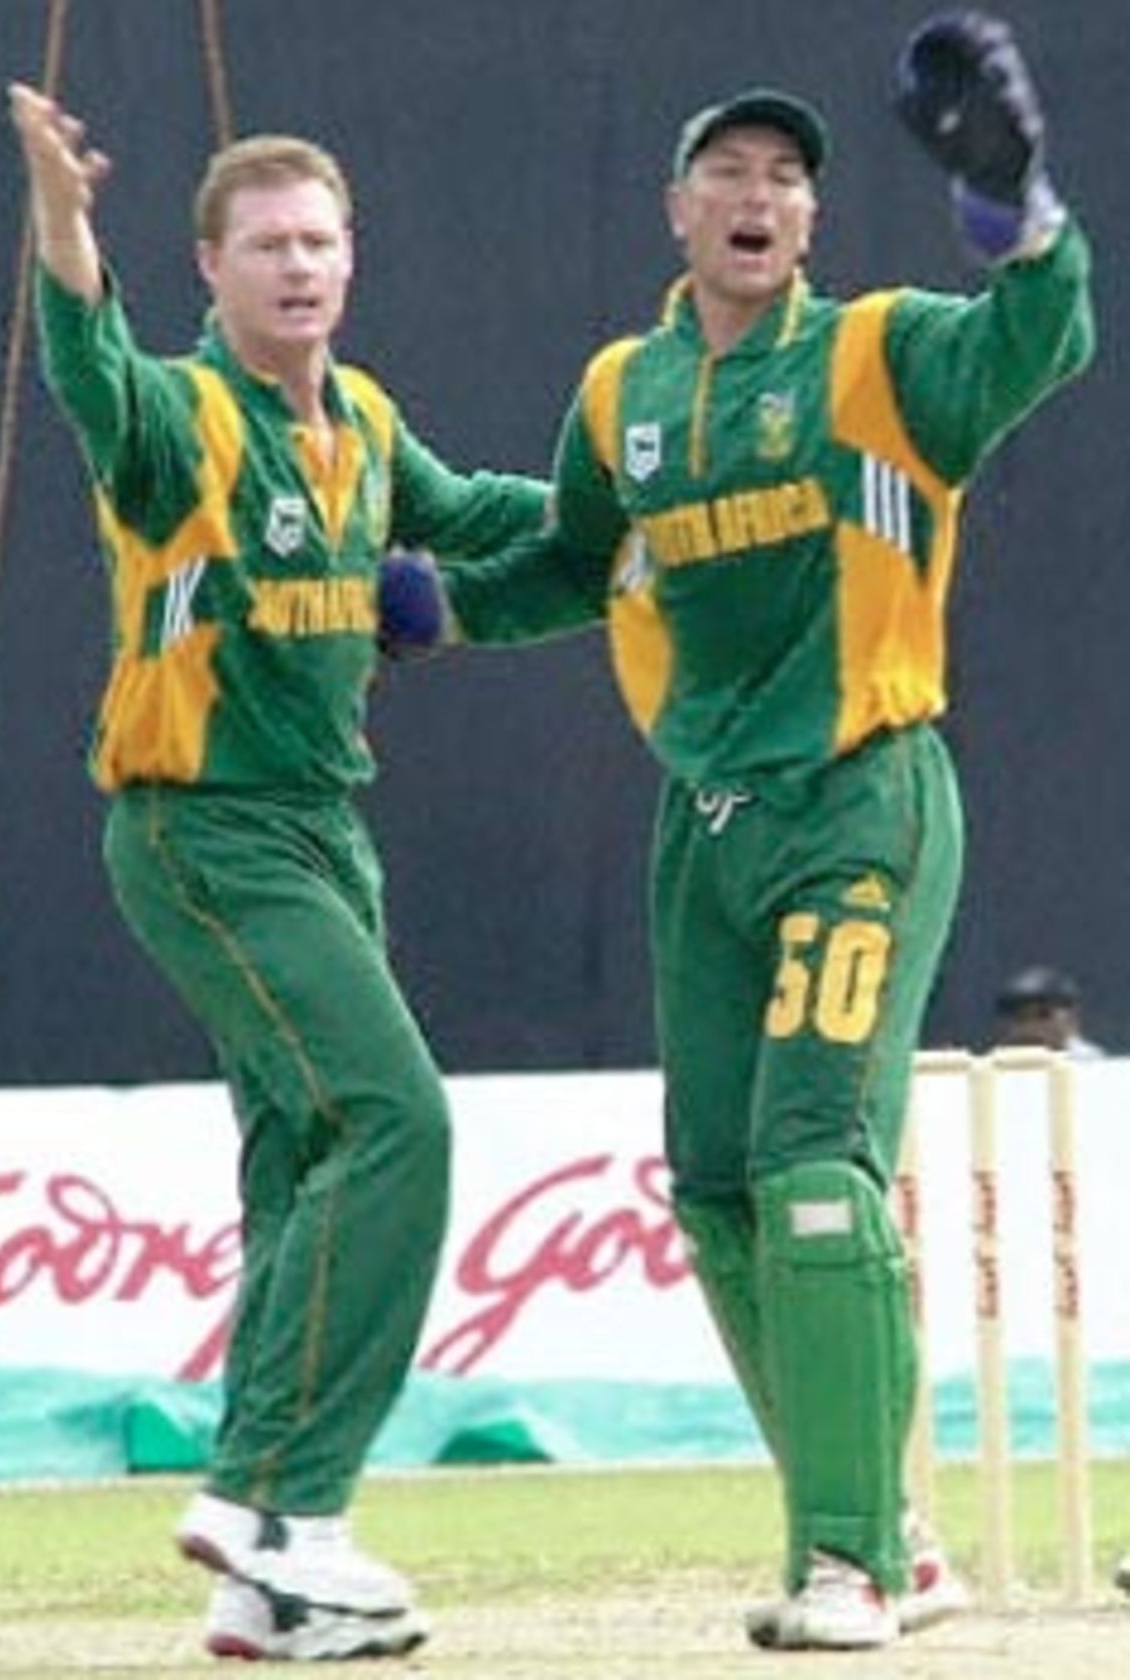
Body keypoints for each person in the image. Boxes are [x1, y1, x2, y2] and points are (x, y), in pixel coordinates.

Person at [378, 11, 1094, 1652]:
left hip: (862, 797)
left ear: (813, 222)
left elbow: (1041, 339)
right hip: (701, 828)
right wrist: (425, 608)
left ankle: (844, 1560)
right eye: (729, 172)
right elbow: (570, 558)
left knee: (814, 1162)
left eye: (785, 177)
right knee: (712, 1187)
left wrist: (1015, 208)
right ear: (678, 208)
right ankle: (896, 1536)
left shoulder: (881, 357)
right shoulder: (624, 391)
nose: (758, 195)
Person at [7, 84, 549, 1663]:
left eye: (320, 240)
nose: (300, 267)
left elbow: (488, 526)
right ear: (211, 268)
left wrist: (639, 521)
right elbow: (87, 363)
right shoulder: (183, 418)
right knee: (394, 1121)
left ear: (350, 259)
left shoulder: (361, 422)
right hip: (203, 828)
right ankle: (274, 1500)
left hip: (326, 832)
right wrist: (60, 216)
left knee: (298, 1171)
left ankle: (273, 1596)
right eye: (268, 245)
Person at [993, 964, 1103, 1057]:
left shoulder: (1095, 1067)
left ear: (1072, 1019)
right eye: (1020, 1018)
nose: (1031, 1027)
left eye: (1043, 1015)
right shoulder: (991, 1068)